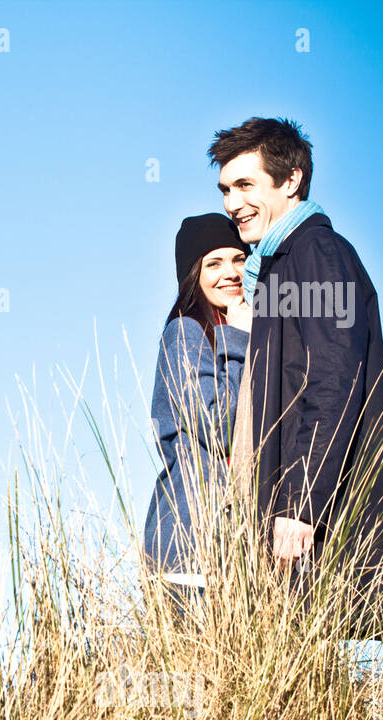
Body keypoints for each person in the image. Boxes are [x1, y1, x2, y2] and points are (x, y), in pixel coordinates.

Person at [211, 116, 383, 637]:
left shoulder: (316, 253)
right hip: (281, 511)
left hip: (303, 512)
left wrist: (298, 503)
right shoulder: (280, 266)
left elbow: (333, 380)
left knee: (292, 672)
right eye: (225, 189)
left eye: (246, 185)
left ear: (291, 180)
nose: (232, 203)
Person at [142, 213, 253, 617]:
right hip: (187, 546)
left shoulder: (238, 332)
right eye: (215, 263)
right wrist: (237, 339)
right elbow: (214, 424)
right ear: (194, 273)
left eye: (239, 259)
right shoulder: (185, 332)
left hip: (227, 551)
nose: (231, 273)